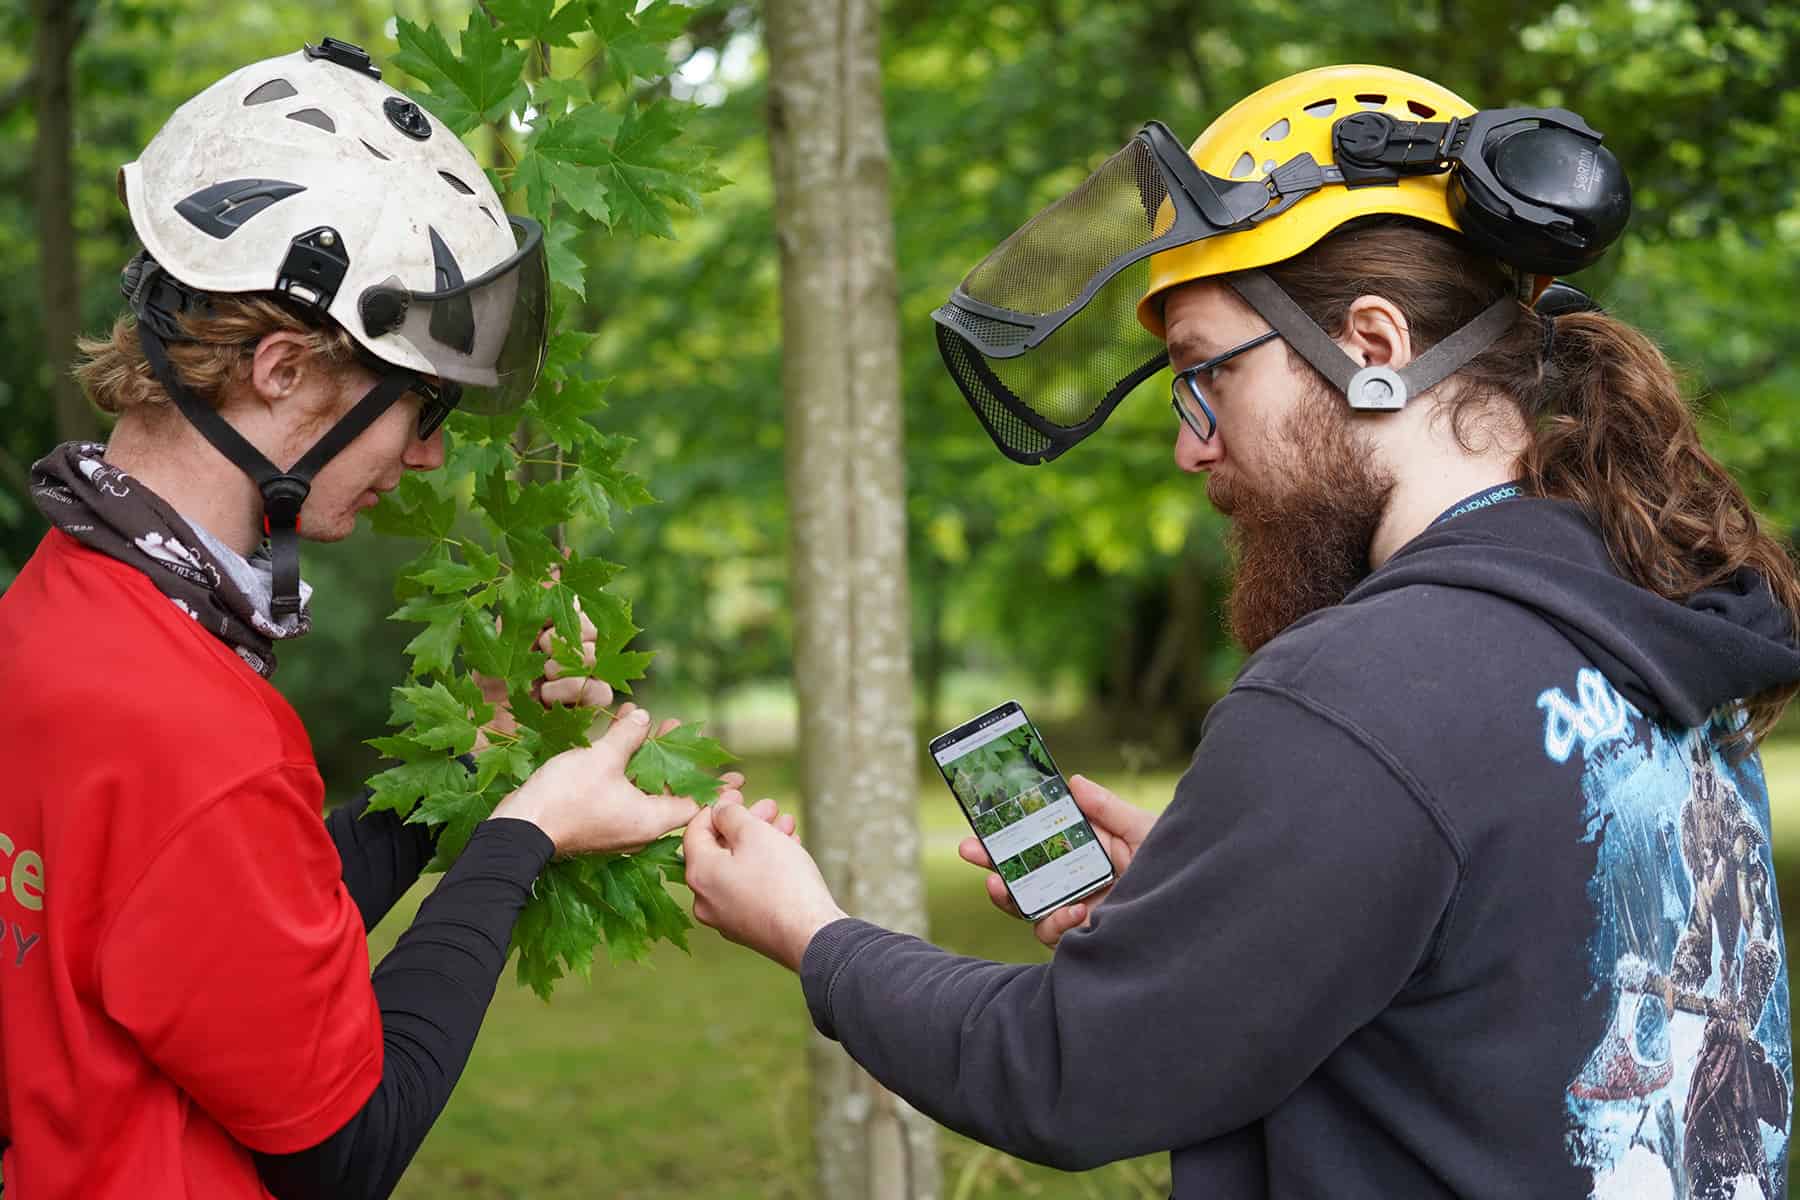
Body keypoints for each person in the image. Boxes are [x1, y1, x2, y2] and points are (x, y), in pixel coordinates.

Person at [683, 65, 1799, 1197]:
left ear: (1372, 344)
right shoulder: (1654, 608)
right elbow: (1510, 958)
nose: (1191, 445)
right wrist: (1218, 899)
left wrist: (814, 936)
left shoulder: (1362, 694)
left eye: (1200, 374)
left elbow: (1064, 1072)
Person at [0, 39, 781, 1200]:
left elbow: (222, 939)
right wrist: (525, 834)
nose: (422, 456)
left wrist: (469, 766)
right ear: (279, 367)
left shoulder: (56, 604)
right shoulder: (197, 728)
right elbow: (347, 1144)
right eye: (418, 406)